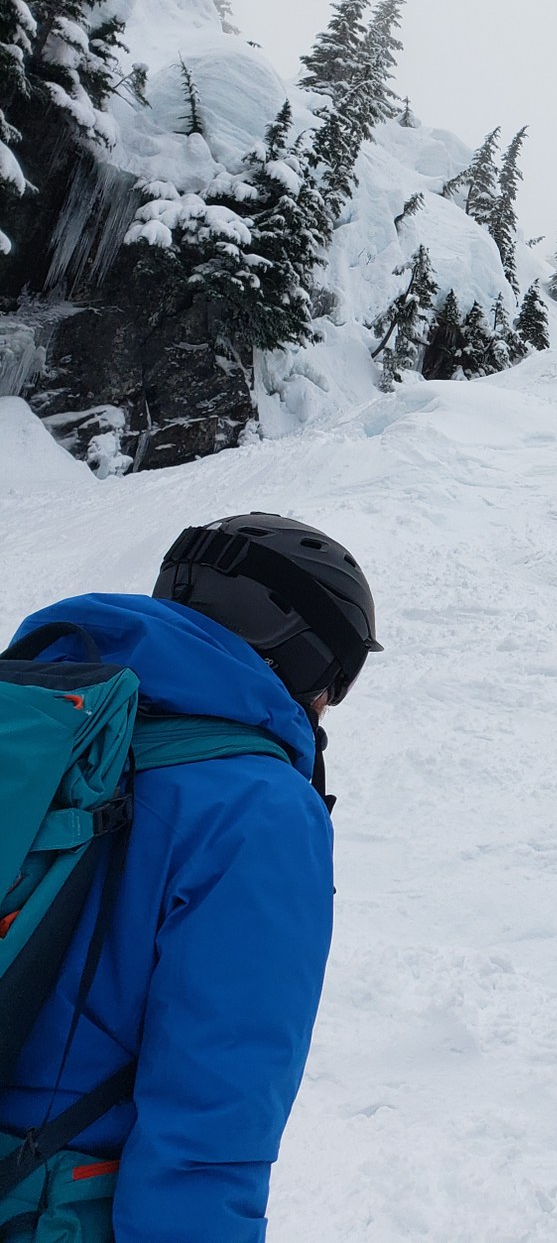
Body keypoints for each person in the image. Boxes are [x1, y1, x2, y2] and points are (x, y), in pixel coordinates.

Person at [0, 514, 381, 1241]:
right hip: (49, 1206)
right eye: (336, 681)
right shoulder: (257, 807)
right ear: (302, 656)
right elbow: (213, 1121)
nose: (328, 704)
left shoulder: (44, 729)